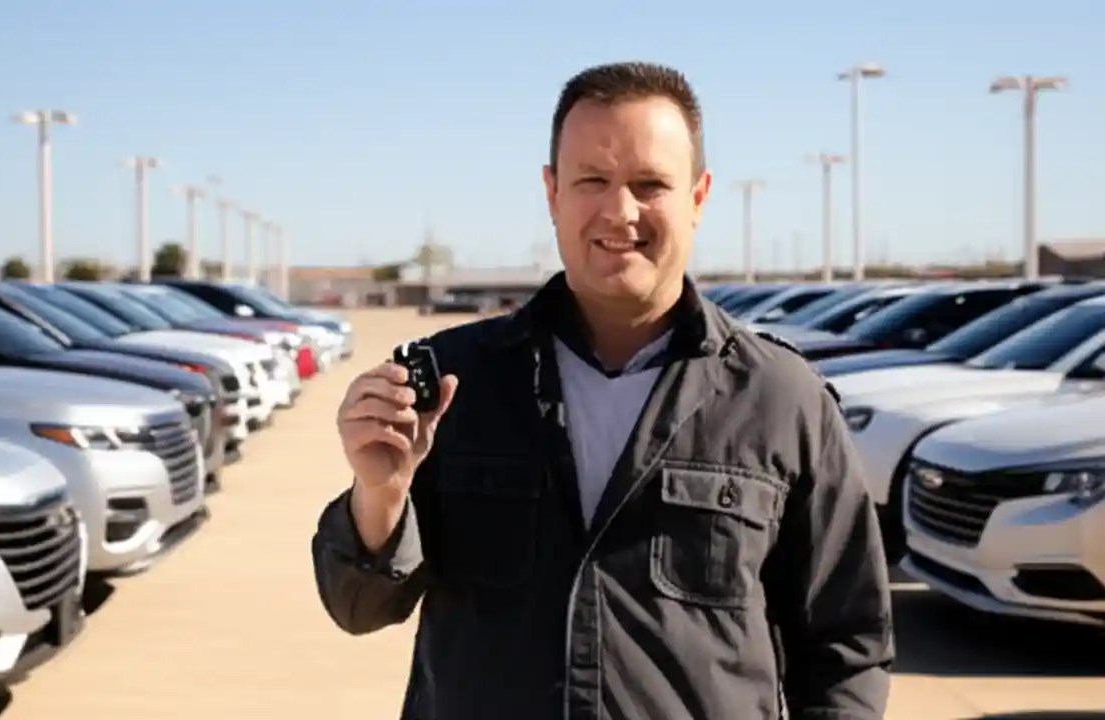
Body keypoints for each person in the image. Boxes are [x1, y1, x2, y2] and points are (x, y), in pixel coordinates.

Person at [312, 61, 894, 719]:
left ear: (699, 198)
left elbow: (847, 648)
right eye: (592, 180)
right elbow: (358, 608)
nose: (620, 211)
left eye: (650, 184)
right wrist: (380, 492)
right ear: (552, 192)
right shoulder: (453, 382)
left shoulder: (782, 400)